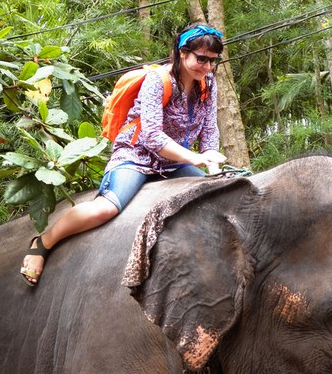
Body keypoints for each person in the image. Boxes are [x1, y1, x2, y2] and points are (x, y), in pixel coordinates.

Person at [20, 23, 227, 286]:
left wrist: (210, 158)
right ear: (182, 52)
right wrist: (195, 158)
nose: (207, 67)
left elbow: (209, 128)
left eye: (213, 61)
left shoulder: (208, 84)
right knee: (105, 209)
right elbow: (152, 136)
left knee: (218, 193)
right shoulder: (157, 80)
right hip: (136, 156)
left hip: (174, 162)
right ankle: (43, 243)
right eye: (201, 59)